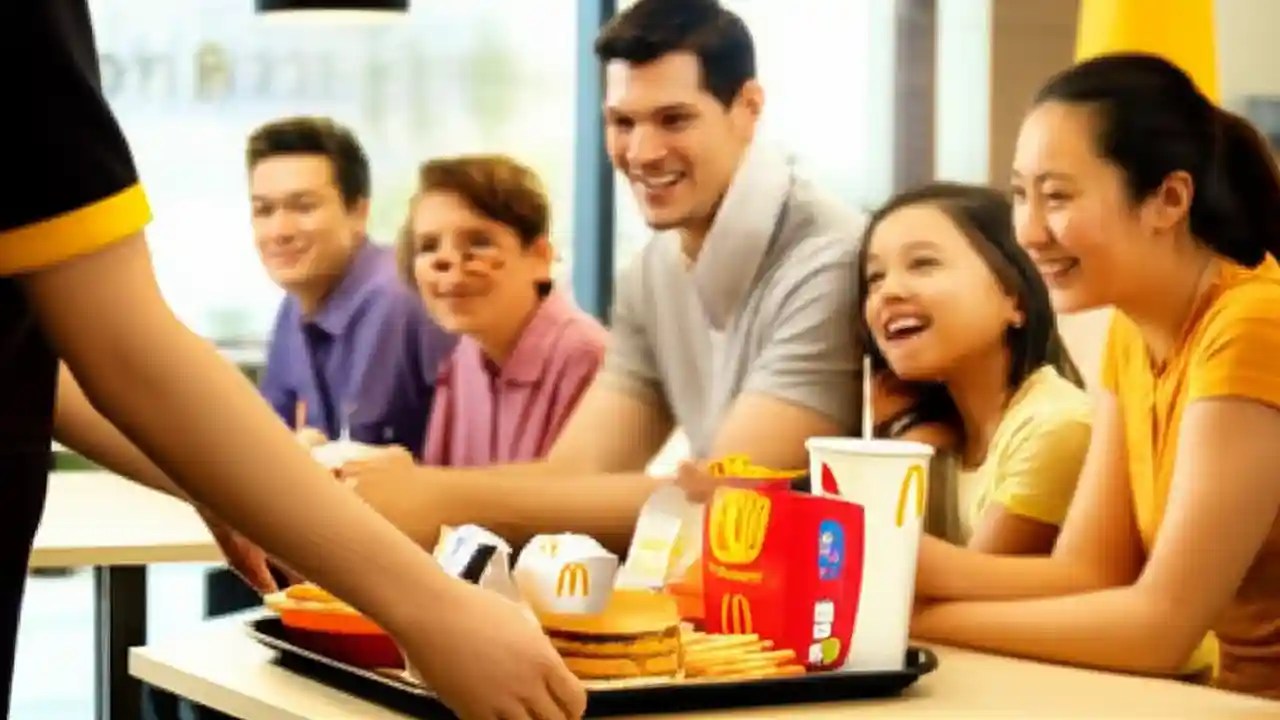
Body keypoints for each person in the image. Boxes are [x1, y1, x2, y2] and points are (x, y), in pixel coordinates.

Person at [3, 6, 584, 719]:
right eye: (264, 209)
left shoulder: (392, 308)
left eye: (301, 205)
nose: (447, 270)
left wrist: (220, 480)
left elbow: (57, 354)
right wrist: (432, 610)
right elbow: (114, 349)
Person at [341, 0, 865, 554]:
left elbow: (727, 500)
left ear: (748, 107)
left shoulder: (828, 261)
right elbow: (576, 473)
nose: (641, 153)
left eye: (674, 119)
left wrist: (437, 497)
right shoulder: (652, 270)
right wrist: (387, 483)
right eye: (622, 122)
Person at [910, 53, 1280, 700]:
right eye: (1020, 194)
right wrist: (921, 568)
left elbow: (1160, 628)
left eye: (1057, 197)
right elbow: (1091, 569)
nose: (1026, 232)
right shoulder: (1132, 333)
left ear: (1169, 200)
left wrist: (916, 623)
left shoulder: (1253, 324)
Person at [859, 182, 1091, 553]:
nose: (888, 291)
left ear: (1014, 297)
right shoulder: (935, 440)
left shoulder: (1056, 425)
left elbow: (901, 590)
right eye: (874, 277)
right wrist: (898, 444)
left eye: (923, 263)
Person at [249, 117, 455, 456]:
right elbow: (273, 441)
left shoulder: (408, 297)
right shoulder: (294, 306)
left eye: (303, 207)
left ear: (358, 212)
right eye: (264, 210)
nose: (279, 230)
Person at [393, 154, 607, 466]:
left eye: (479, 242)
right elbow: (440, 496)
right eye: (428, 247)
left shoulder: (588, 358)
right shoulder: (463, 357)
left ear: (539, 258)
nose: (450, 264)